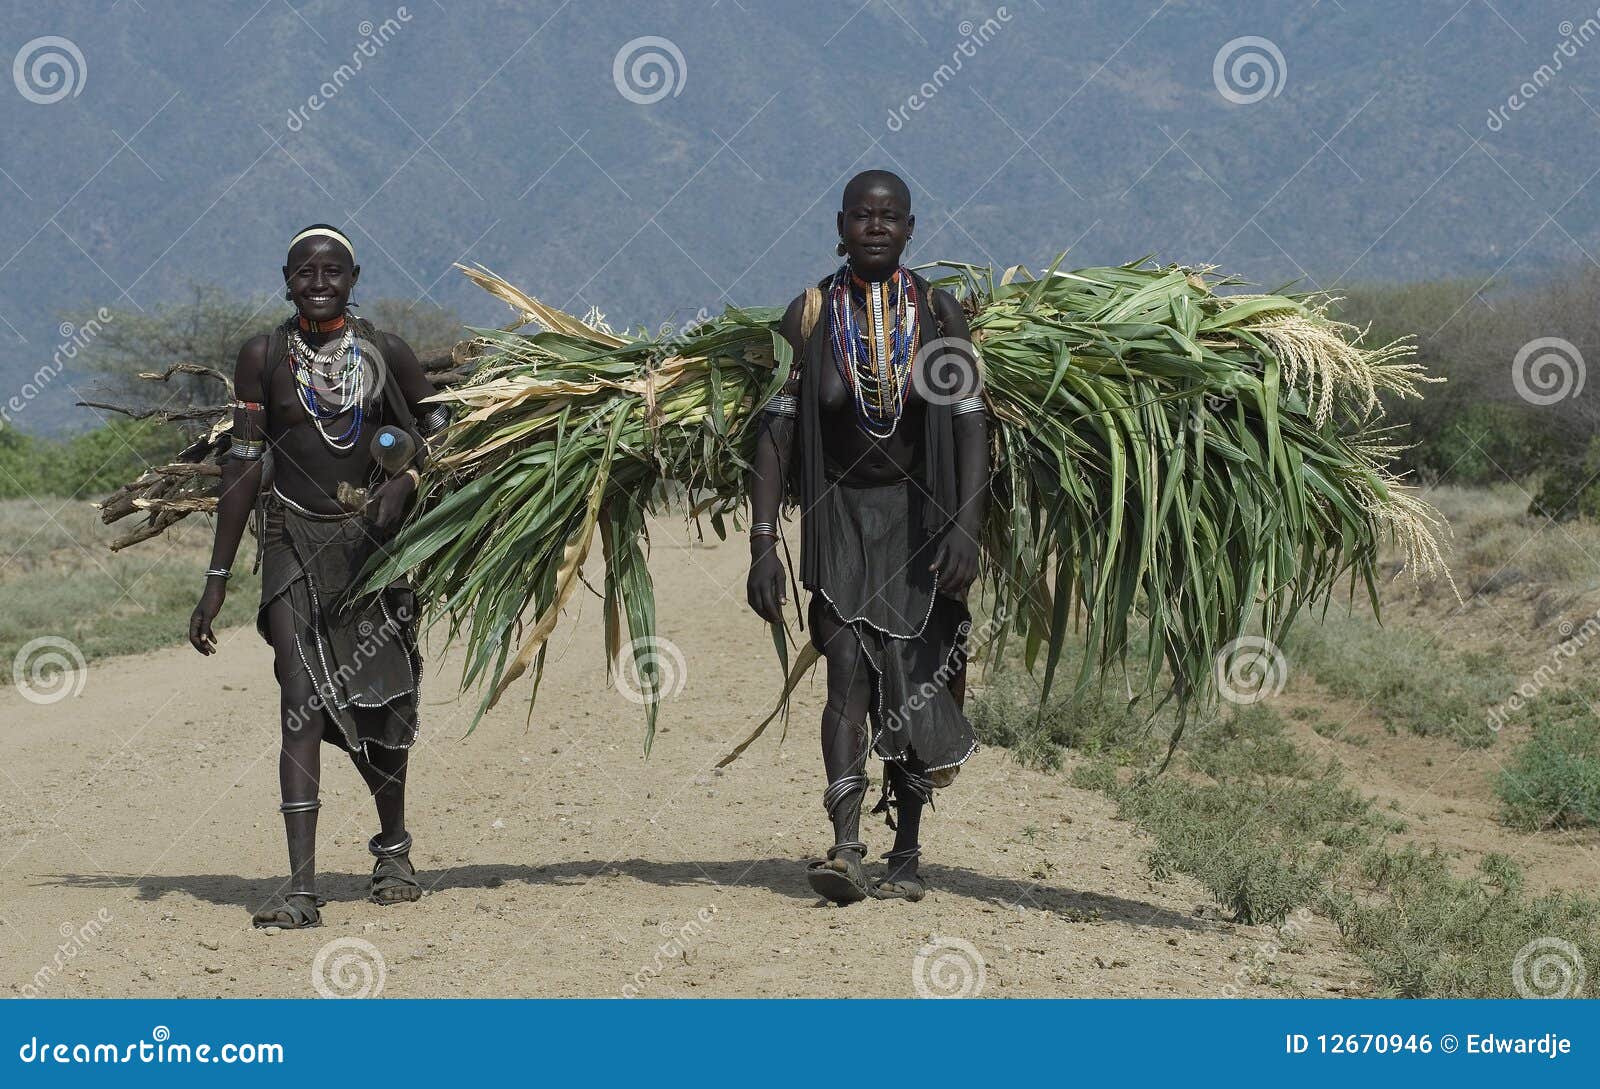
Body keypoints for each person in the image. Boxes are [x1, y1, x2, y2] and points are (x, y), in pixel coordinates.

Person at [188, 225, 451, 928]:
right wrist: (216, 578)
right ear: (287, 279)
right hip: (290, 541)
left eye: (332, 270)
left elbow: (446, 431)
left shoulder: (387, 352)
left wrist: (408, 478)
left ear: (353, 277)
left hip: (374, 550)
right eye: (304, 271)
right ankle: (301, 888)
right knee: (300, 701)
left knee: (382, 703)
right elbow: (244, 462)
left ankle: (393, 849)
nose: (318, 281)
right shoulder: (264, 357)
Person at [746, 172, 990, 904]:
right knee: (847, 666)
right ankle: (847, 845)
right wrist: (763, 543)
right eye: (862, 215)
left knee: (914, 675)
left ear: (910, 228)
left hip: (922, 522)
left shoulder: (938, 313)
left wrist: (966, 528)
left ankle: (906, 850)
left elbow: (971, 425)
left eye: (890, 217)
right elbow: (776, 434)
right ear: (840, 226)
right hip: (840, 518)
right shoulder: (811, 314)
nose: (875, 227)